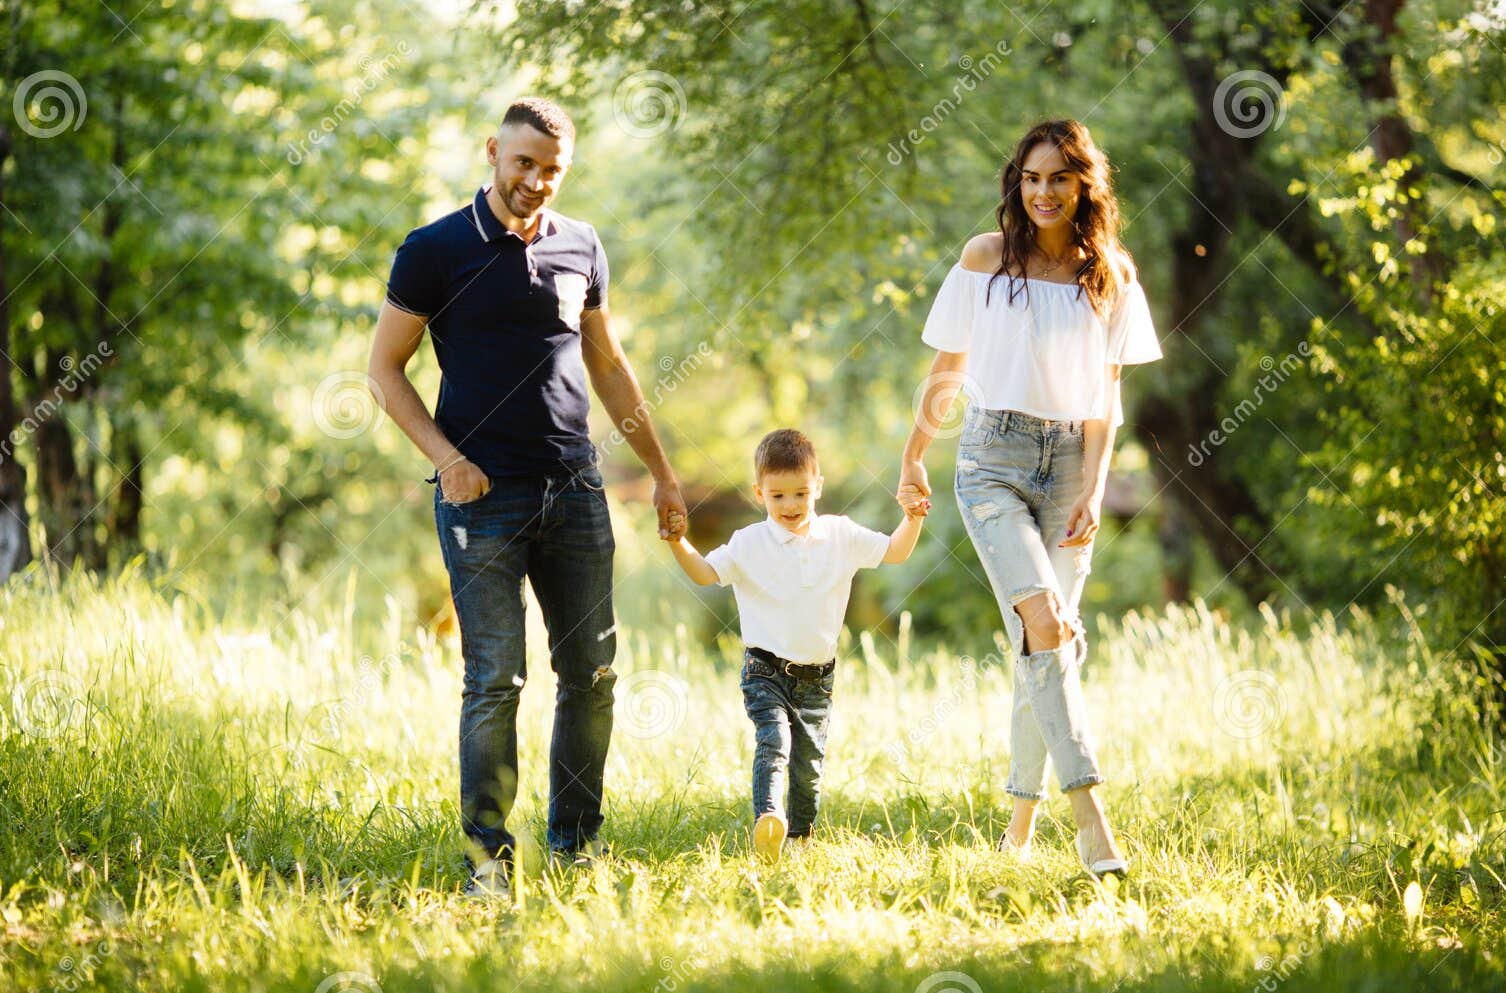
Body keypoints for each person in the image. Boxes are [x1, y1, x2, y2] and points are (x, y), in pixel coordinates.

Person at [367, 97, 686, 894]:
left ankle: (576, 847)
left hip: (575, 486)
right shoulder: (434, 249)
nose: (536, 182)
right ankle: (487, 860)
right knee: (495, 677)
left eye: (552, 170)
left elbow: (609, 367)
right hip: (482, 500)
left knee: (593, 671)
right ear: (492, 153)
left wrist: (664, 470)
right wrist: (445, 460)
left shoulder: (582, 245)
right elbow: (382, 370)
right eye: (523, 164)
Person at [897, 118, 1163, 879]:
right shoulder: (986, 259)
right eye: (1032, 178)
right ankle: (1092, 818)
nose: (1043, 192)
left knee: (1041, 646)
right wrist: (913, 457)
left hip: (1071, 468)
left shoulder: (1110, 272)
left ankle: (1018, 829)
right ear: (1018, 184)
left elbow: (1105, 400)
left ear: (1086, 185)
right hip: (992, 459)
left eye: (1060, 178)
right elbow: (948, 371)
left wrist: (1094, 486)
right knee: (1044, 621)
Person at [664, 429, 924, 863]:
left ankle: (800, 839)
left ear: (817, 487)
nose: (790, 505)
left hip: (818, 677)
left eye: (801, 493)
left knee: (809, 768)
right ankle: (768, 817)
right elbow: (706, 574)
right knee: (775, 740)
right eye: (778, 495)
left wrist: (913, 517)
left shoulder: (841, 535)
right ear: (759, 492)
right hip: (765, 670)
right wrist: (677, 541)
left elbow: (895, 551)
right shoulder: (749, 542)